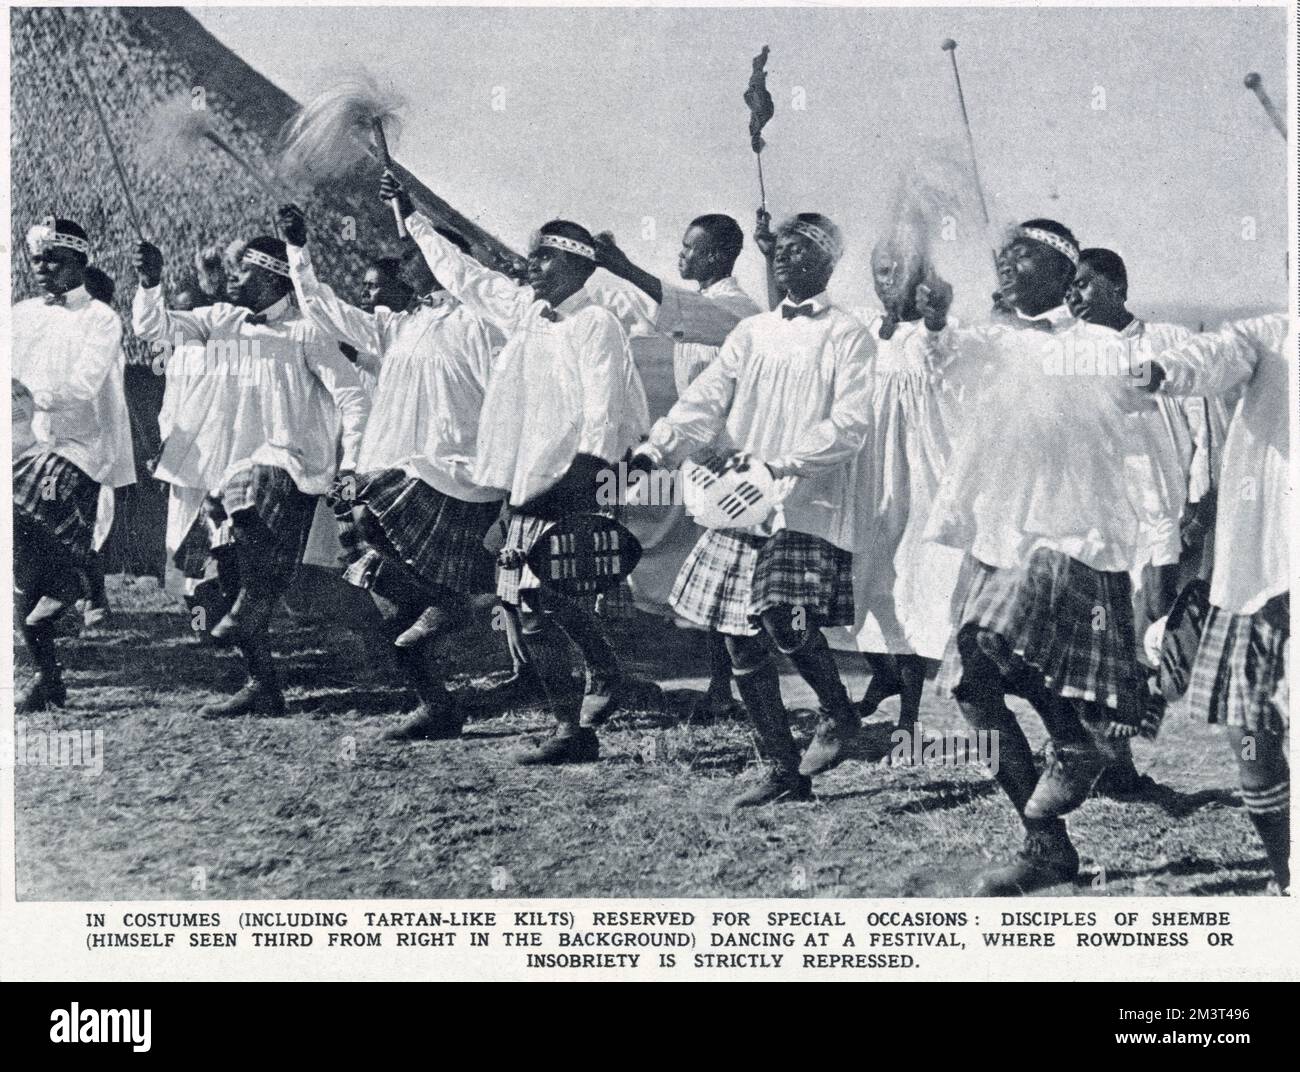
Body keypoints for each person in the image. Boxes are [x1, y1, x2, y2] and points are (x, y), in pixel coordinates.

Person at [920, 219, 1184, 894]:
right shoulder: (997, 342)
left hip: (1074, 537)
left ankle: (1076, 739)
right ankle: (1047, 847)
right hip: (1000, 534)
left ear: (1066, 275)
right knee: (970, 687)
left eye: (1025, 257)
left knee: (989, 637)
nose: (1007, 265)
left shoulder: (1100, 348)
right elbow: (945, 359)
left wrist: (1160, 541)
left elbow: (1146, 448)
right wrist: (937, 318)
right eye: (1003, 256)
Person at [380, 169, 650, 765]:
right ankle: (592, 695)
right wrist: (415, 217)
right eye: (529, 258)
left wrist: (575, 482)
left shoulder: (596, 324)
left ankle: (576, 723)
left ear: (577, 265)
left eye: (543, 258)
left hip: (574, 482)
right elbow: (467, 277)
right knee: (539, 605)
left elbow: (606, 413)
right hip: (528, 482)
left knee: (542, 604)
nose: (529, 268)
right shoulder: (527, 312)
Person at [632, 213, 875, 807]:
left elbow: (850, 424)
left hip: (804, 501)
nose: (786, 261)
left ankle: (841, 716)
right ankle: (783, 770)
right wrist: (654, 450)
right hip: (739, 500)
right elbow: (705, 399)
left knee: (779, 615)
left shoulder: (848, 335)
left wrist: (780, 464)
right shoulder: (753, 332)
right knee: (739, 641)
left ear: (827, 263)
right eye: (780, 253)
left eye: (800, 252)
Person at [280, 203, 502, 742]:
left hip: (457, 475)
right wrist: (298, 252)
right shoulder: (402, 326)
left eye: (421, 255)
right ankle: (436, 706)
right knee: (385, 601)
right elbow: (326, 312)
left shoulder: (480, 324)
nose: (410, 266)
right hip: (410, 473)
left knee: (369, 509)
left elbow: (503, 402)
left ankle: (454, 598)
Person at [133, 234, 370, 717]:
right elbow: (152, 327)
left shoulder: (308, 331)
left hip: (291, 468)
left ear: (269, 276)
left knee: (261, 566)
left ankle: (258, 610)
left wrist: (351, 468)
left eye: (241, 272)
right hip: (233, 477)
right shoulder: (222, 321)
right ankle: (262, 685)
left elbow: (352, 396)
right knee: (230, 577)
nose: (230, 280)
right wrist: (149, 281)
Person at [1065, 247, 1224, 793]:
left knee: (1150, 630)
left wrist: (1199, 507)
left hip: (1164, 512)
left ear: (1116, 286)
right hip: (1101, 520)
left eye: (1084, 284)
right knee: (1105, 641)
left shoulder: (1169, 343)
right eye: (1068, 287)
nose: (1073, 296)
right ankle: (1118, 766)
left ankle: (1130, 741)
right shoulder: (1074, 356)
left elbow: (1206, 433)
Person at [590, 216, 762, 719]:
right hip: (684, 451)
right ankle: (636, 675)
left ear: (714, 256)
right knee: (659, 546)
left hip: (724, 457)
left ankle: (723, 689)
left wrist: (624, 266)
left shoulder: (737, 311)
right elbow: (636, 308)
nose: (681, 255)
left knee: (722, 575)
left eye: (690, 248)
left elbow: (685, 311)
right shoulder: (691, 305)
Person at [1142, 314, 1290, 894]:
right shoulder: (1274, 336)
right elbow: (1216, 353)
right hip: (1266, 571)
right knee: (1248, 729)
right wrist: (1161, 370)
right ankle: (1286, 873)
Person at [843, 236, 966, 742]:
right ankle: (885, 672)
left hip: (917, 477)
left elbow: (950, 374)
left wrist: (935, 320)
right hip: (865, 472)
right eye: (877, 272)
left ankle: (909, 717)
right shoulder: (864, 329)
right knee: (860, 578)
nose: (882, 282)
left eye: (893, 271)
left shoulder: (942, 332)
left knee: (909, 582)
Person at [11, 217, 132, 710]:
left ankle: (78, 578)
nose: (43, 267)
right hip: (22, 444)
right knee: (23, 584)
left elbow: (83, 385)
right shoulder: (19, 313)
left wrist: (27, 393)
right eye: (37, 259)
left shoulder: (101, 318)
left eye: (54, 259)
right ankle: (48, 679)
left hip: (78, 448)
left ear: (80, 263)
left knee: (30, 502)